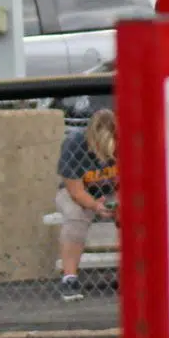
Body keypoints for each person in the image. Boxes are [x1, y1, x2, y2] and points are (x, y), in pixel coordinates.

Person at [54, 107, 119, 301]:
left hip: (111, 191)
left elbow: (131, 180)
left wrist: (119, 203)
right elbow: (75, 191)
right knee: (75, 216)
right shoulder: (74, 144)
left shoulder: (127, 140)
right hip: (78, 192)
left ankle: (138, 273)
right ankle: (69, 278)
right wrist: (95, 205)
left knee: (136, 209)